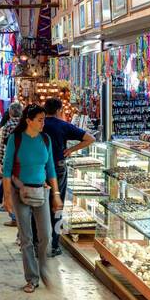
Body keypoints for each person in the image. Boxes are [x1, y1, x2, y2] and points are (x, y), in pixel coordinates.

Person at [2, 105, 61, 293]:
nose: (43, 123)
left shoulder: (46, 139)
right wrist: (7, 197)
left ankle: (43, 268)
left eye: (44, 119)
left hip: (41, 192)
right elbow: (6, 170)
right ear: (29, 121)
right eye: (40, 120)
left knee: (46, 235)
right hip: (20, 192)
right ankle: (32, 278)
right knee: (26, 237)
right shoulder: (16, 139)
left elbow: (50, 168)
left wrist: (56, 195)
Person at [41, 98, 95, 258]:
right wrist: (71, 149)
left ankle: (38, 241)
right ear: (58, 110)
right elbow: (90, 139)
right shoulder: (63, 126)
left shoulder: (39, 124)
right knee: (57, 206)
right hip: (57, 168)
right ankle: (55, 243)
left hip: (39, 168)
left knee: (38, 204)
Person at [0, 102, 23, 221]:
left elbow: (1, 146)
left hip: (10, 162)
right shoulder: (25, 125)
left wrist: (0, 163)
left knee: (11, 189)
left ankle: (14, 216)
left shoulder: (6, 127)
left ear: (10, 113)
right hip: (23, 162)